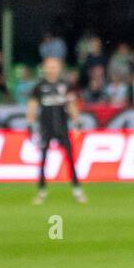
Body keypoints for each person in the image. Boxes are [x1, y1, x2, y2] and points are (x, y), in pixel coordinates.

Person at [27, 57, 86, 205]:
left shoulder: (65, 85)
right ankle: (41, 190)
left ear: (59, 68)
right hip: (45, 128)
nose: (52, 69)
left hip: (62, 128)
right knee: (43, 159)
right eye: (49, 66)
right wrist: (30, 123)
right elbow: (32, 106)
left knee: (70, 159)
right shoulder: (39, 87)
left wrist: (77, 122)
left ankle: (77, 189)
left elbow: (71, 104)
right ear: (45, 68)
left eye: (55, 66)